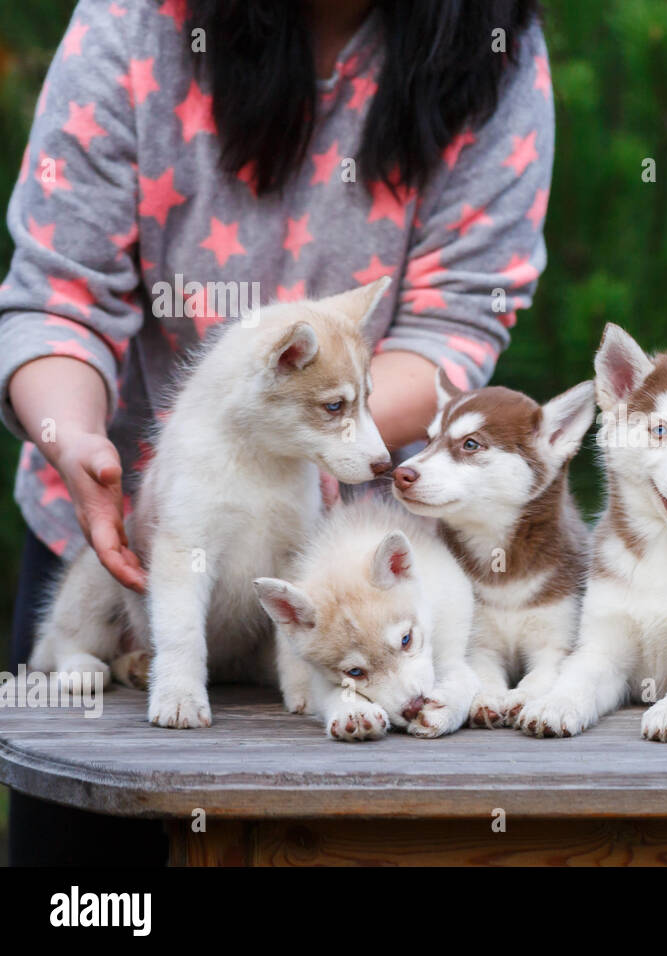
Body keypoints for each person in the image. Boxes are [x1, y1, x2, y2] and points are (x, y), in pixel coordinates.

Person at [0, 0, 552, 865]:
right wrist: (74, 440)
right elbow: (57, 295)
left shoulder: (489, 47)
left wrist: (337, 437)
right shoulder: (133, 22)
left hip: (349, 583)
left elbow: (455, 321)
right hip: (108, 526)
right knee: (88, 886)